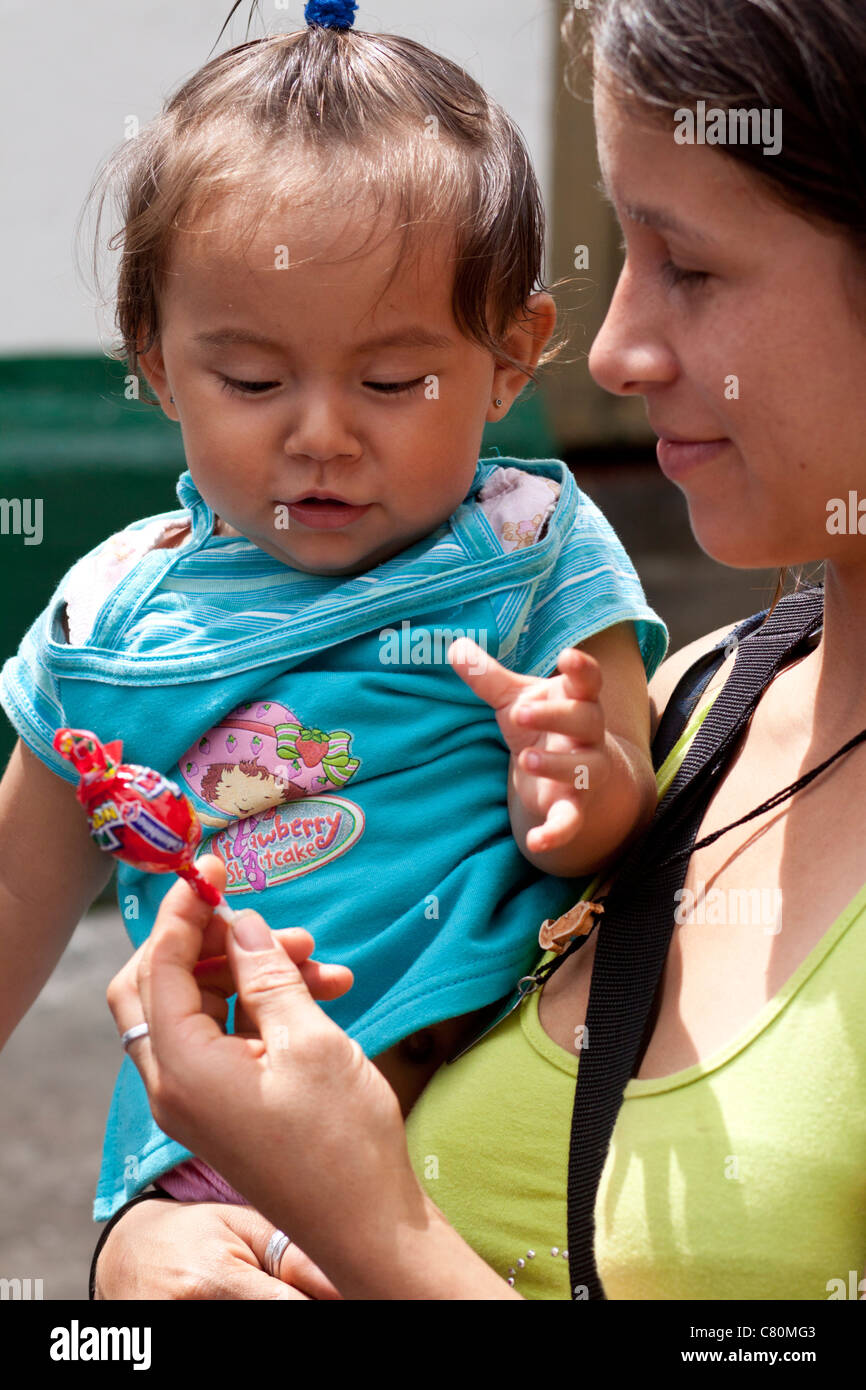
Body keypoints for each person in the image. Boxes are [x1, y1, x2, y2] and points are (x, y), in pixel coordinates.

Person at [93, 0, 866, 1300]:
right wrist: (158, 1249)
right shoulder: (680, 713)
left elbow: (386, 1217)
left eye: (689, 263)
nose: (610, 348)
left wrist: (371, 1234)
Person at [0, 3, 667, 1225]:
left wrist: (579, 785)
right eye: (251, 380)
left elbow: (612, 807)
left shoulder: (525, 548)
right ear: (152, 358)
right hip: (213, 1162)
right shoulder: (114, 621)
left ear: (512, 357)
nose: (320, 435)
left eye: (389, 380)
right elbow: (13, 897)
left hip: (480, 1109)